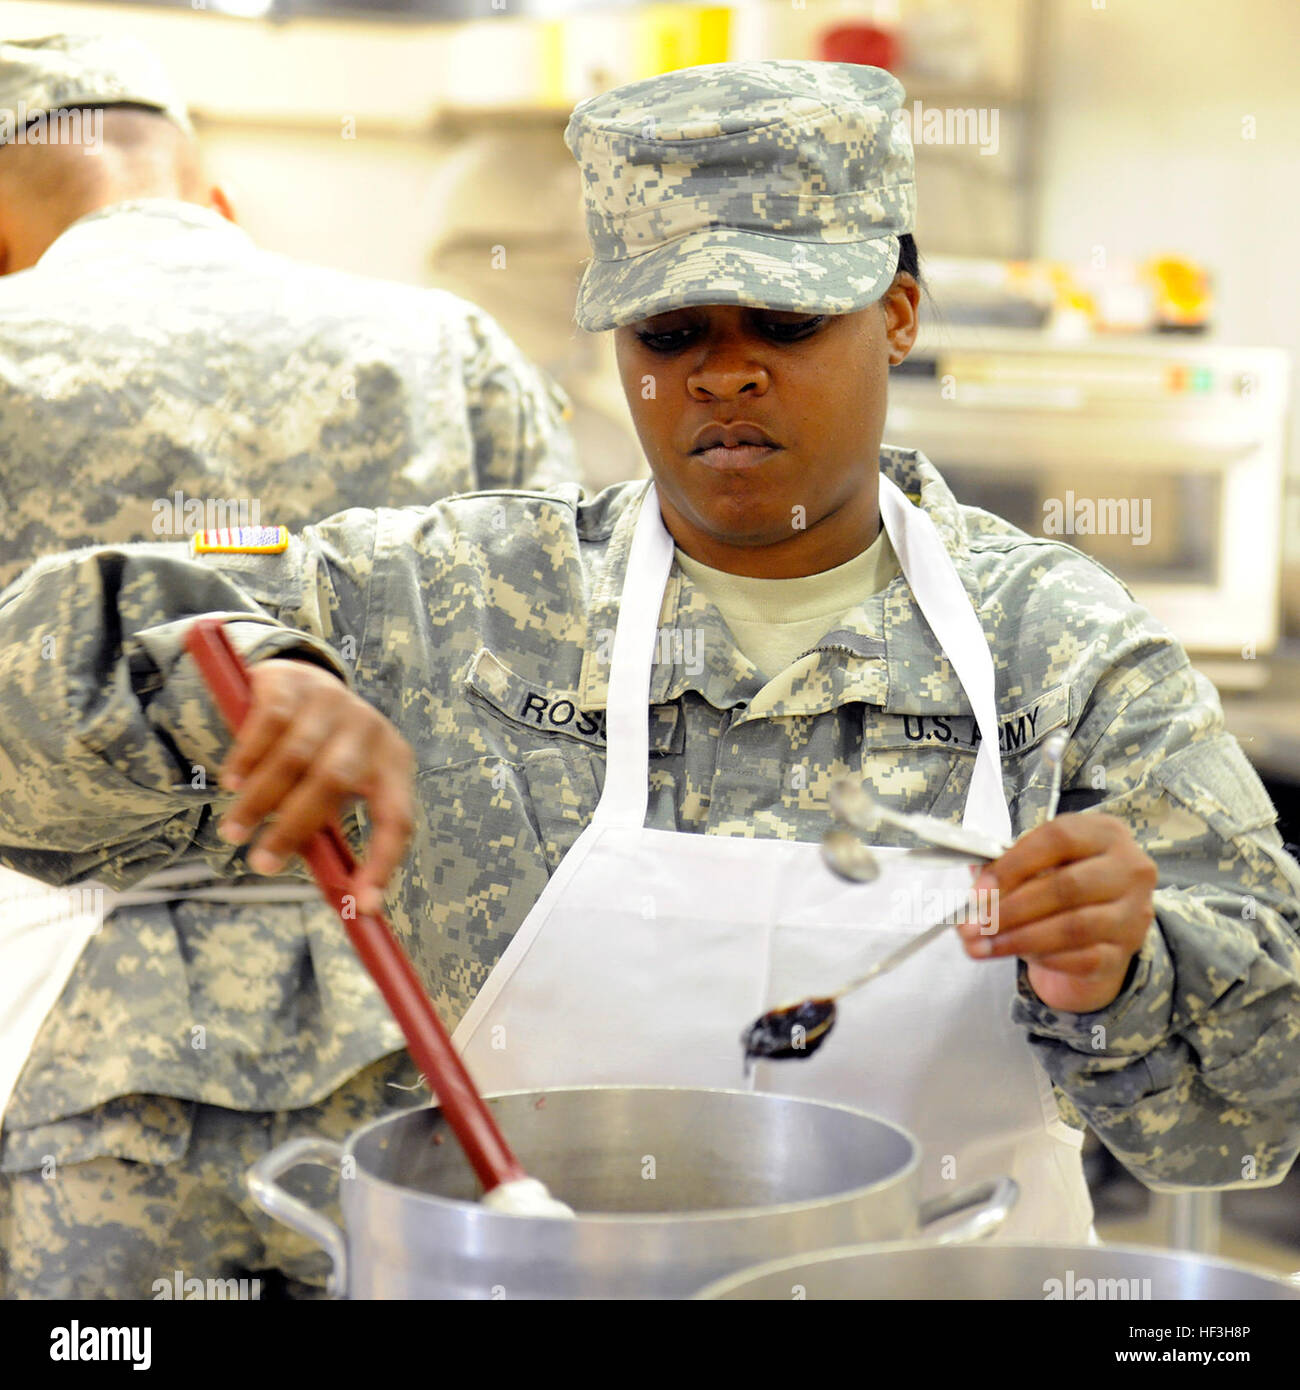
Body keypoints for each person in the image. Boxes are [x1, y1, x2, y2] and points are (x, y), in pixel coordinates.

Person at [1, 58, 1297, 1266]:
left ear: (896, 314)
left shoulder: (1061, 650)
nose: (725, 375)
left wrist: (1126, 971)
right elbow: (34, 743)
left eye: (784, 323)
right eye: (670, 335)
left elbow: (1258, 1117)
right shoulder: (441, 599)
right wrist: (232, 676)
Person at [0, 33, 578, 1299]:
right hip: (425, 1055)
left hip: (74, 1083)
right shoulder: (450, 348)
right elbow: (560, 711)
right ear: (217, 201)